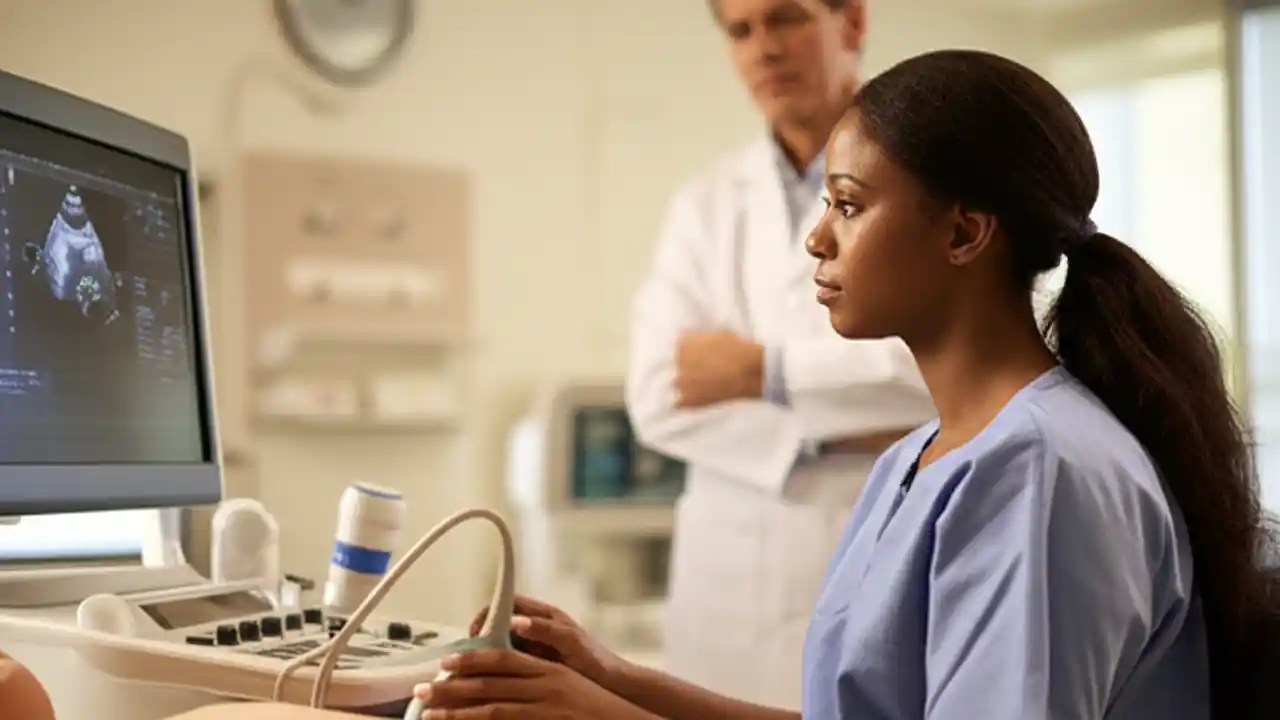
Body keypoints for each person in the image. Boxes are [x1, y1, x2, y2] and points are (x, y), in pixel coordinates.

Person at [411, 48, 1280, 720]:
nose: (817, 240)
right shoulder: (920, 458)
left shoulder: (1038, 471)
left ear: (966, 233)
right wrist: (620, 680)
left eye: (850, 205)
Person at [624, 0, 934, 707]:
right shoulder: (704, 205)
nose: (764, 48)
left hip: (876, 538)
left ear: (850, 22)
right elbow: (655, 395)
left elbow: (951, 370)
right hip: (725, 587)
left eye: (786, 17)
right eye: (741, 30)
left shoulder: (932, 174)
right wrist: (846, 420)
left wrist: (763, 372)